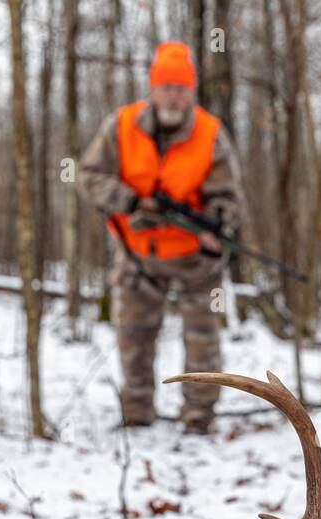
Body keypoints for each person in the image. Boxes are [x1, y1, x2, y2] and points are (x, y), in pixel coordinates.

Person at [79, 40, 244, 433]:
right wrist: (131, 201)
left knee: (203, 339)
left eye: (181, 87)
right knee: (134, 336)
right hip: (137, 253)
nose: (173, 95)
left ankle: (199, 417)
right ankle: (136, 415)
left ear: (192, 91)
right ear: (153, 89)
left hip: (194, 258)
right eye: (166, 86)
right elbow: (89, 176)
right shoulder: (122, 125)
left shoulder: (210, 133)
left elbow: (229, 198)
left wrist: (216, 229)